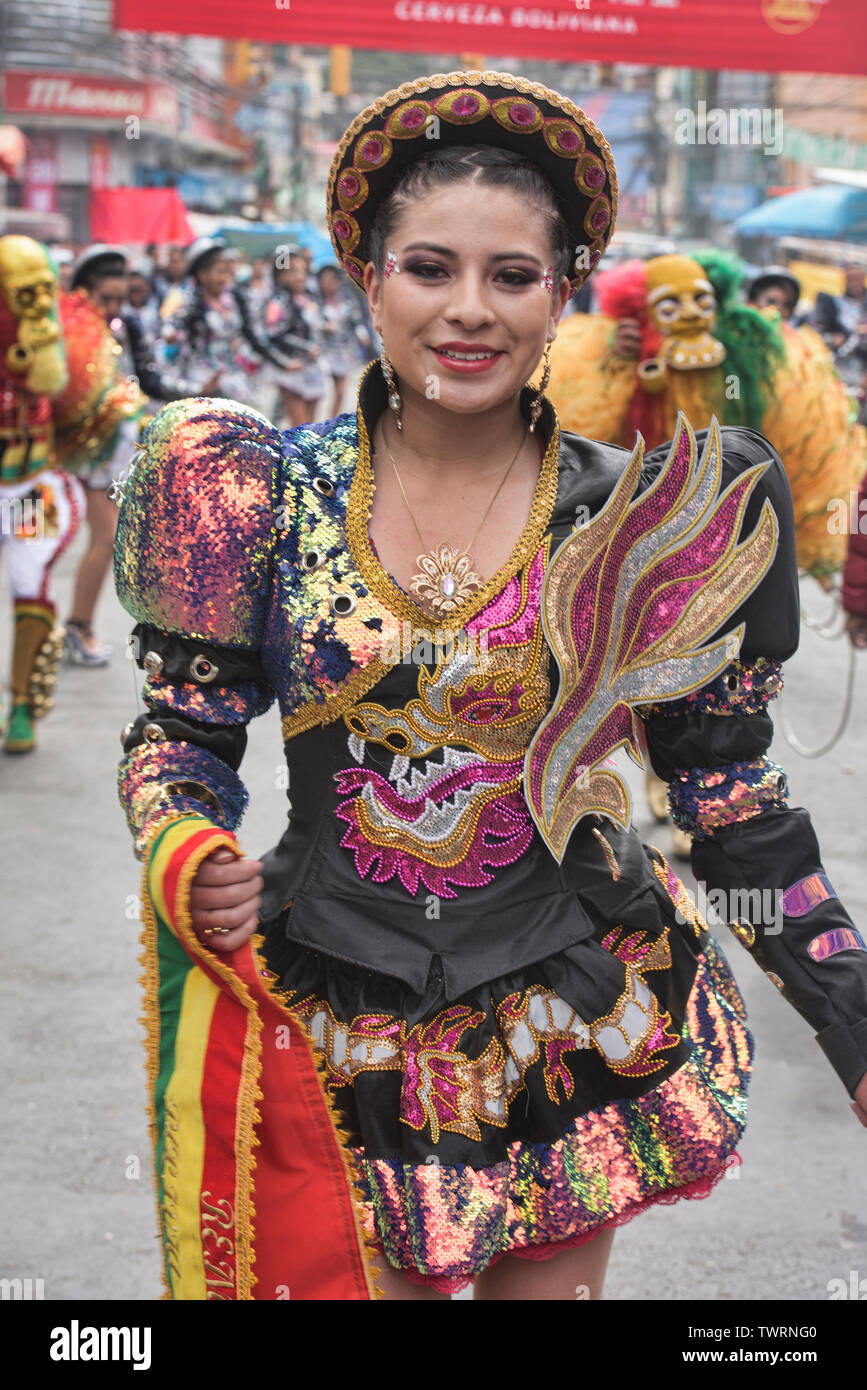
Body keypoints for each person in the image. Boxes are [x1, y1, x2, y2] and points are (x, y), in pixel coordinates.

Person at [114, 71, 867, 1303]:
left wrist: (850, 1015)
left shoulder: (639, 516)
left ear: (561, 292)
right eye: (428, 268)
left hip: (567, 1007)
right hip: (329, 1018)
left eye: (513, 276)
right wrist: (185, 837)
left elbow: (727, 795)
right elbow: (181, 736)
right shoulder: (261, 494)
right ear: (368, 278)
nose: (469, 311)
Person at [0, 235, 83, 752]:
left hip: (29, 489)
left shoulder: (46, 332)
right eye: (23, 294)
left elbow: (54, 381)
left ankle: (23, 705)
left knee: (30, 580)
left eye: (42, 292)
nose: (36, 304)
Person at [51, 245, 145, 666]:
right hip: (78, 461)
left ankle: (75, 626)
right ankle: (76, 627)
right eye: (105, 298)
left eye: (120, 300)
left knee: (107, 540)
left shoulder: (112, 331)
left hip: (107, 459)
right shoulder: (73, 335)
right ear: (83, 293)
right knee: (102, 540)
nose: (113, 307)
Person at [157, 237, 280, 414]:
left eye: (226, 271)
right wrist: (171, 334)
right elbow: (170, 325)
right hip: (201, 379)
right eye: (219, 271)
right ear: (202, 274)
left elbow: (250, 334)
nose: (225, 278)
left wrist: (274, 357)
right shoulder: (188, 302)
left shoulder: (233, 300)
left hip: (231, 377)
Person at [263, 245, 329, 426]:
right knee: (301, 427)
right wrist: (305, 347)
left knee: (311, 427)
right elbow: (274, 334)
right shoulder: (279, 302)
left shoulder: (310, 297)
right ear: (279, 276)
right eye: (292, 271)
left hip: (313, 368)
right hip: (292, 368)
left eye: (302, 270)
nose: (299, 275)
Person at [316, 261, 373, 416]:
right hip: (322, 352)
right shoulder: (315, 301)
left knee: (341, 391)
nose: (328, 283)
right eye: (324, 280)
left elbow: (357, 320)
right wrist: (322, 325)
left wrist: (363, 335)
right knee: (322, 390)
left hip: (343, 351)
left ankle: (331, 420)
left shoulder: (347, 299)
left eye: (331, 279)